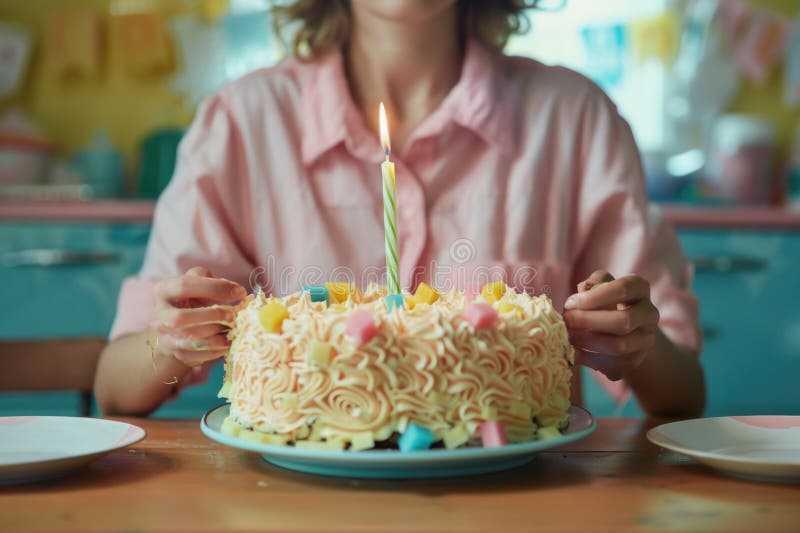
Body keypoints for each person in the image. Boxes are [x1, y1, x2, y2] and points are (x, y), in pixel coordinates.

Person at [94, 0, 705, 418]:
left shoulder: (573, 118)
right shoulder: (241, 124)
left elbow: (684, 395)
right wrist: (170, 340)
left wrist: (635, 340)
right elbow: (115, 388)